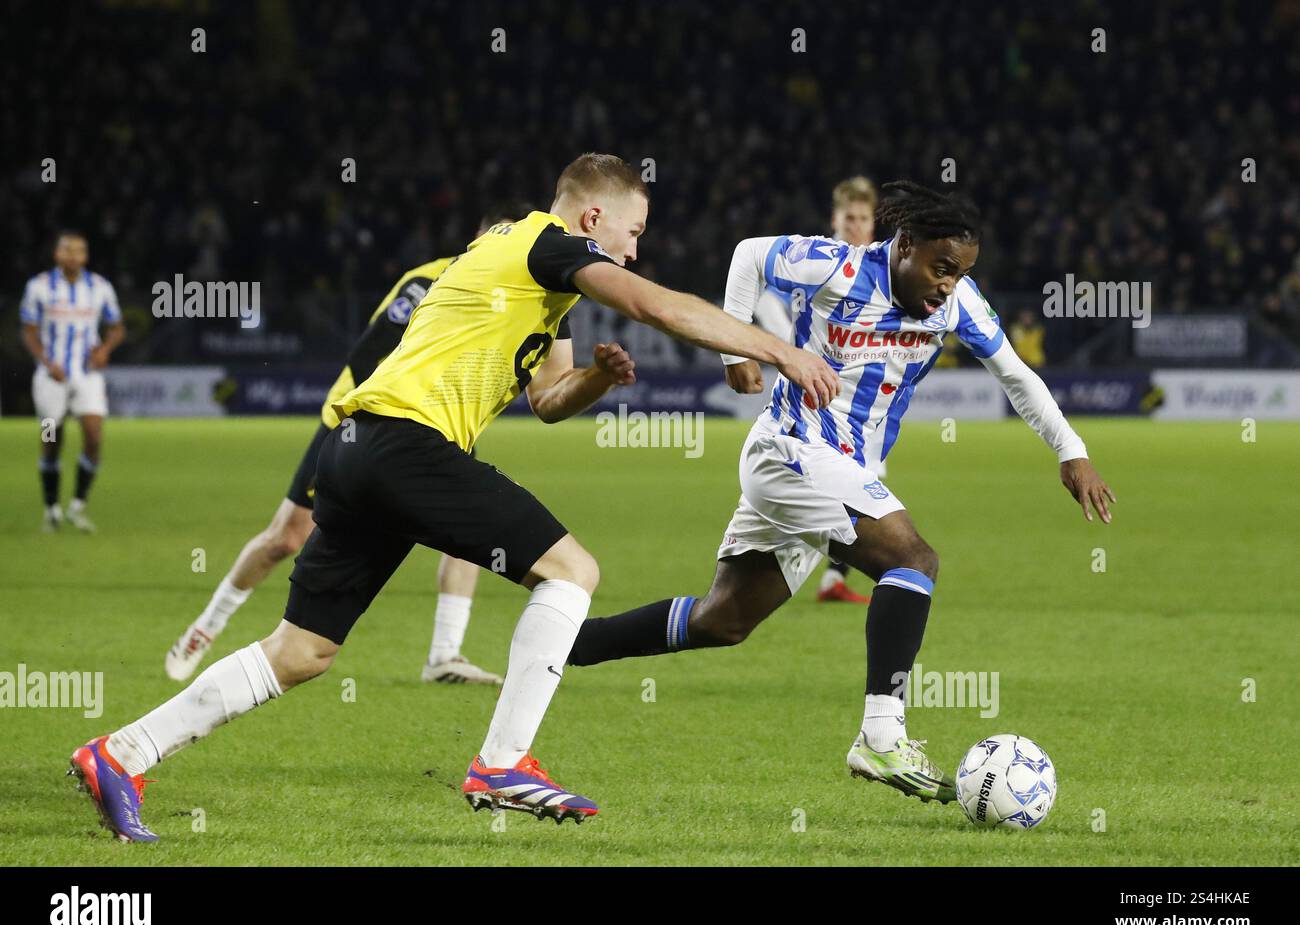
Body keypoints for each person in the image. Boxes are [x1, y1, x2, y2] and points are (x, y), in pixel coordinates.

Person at [68, 153, 839, 841]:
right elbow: (653, 304)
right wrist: (780, 349)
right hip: (406, 445)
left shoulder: (522, 267)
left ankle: (122, 752)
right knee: (571, 572)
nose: (636, 249)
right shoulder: (546, 242)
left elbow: (545, 400)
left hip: (358, 452)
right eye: (633, 232)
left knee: (301, 651)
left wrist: (598, 379)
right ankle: (503, 763)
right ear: (593, 216)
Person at [566, 181, 1115, 805]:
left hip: (840, 472)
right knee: (913, 560)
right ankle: (881, 736)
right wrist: (733, 345)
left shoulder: (957, 304)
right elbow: (749, 253)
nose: (946, 285)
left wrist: (1072, 452)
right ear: (903, 245)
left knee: (723, 620)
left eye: (959, 274)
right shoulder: (837, 266)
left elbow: (1017, 375)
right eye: (939, 268)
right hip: (792, 450)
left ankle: (566, 646)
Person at [163, 205, 535, 687]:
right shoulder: (429, 281)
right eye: (494, 237)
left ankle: (445, 654)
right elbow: (366, 355)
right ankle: (204, 629)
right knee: (286, 537)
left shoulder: (510, 297)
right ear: (478, 239)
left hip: (435, 431)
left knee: (468, 532)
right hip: (362, 421)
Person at [724, 176, 880, 604]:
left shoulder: (880, 265)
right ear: (836, 218)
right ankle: (784, 568)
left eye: (864, 218)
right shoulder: (815, 260)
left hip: (857, 408)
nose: (857, 225)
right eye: (850, 217)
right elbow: (761, 293)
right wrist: (778, 347)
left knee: (855, 487)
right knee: (840, 488)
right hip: (808, 399)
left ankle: (817, 576)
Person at [20, 230, 125, 533]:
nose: (73, 255)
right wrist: (46, 362)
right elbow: (29, 331)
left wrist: (105, 349)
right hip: (50, 378)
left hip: (87, 375)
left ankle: (77, 507)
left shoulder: (99, 288)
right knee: (52, 441)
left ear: (86, 256)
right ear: (57, 254)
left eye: (79, 250)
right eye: (67, 250)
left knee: (93, 437)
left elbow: (117, 327)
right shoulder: (39, 287)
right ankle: (51, 508)